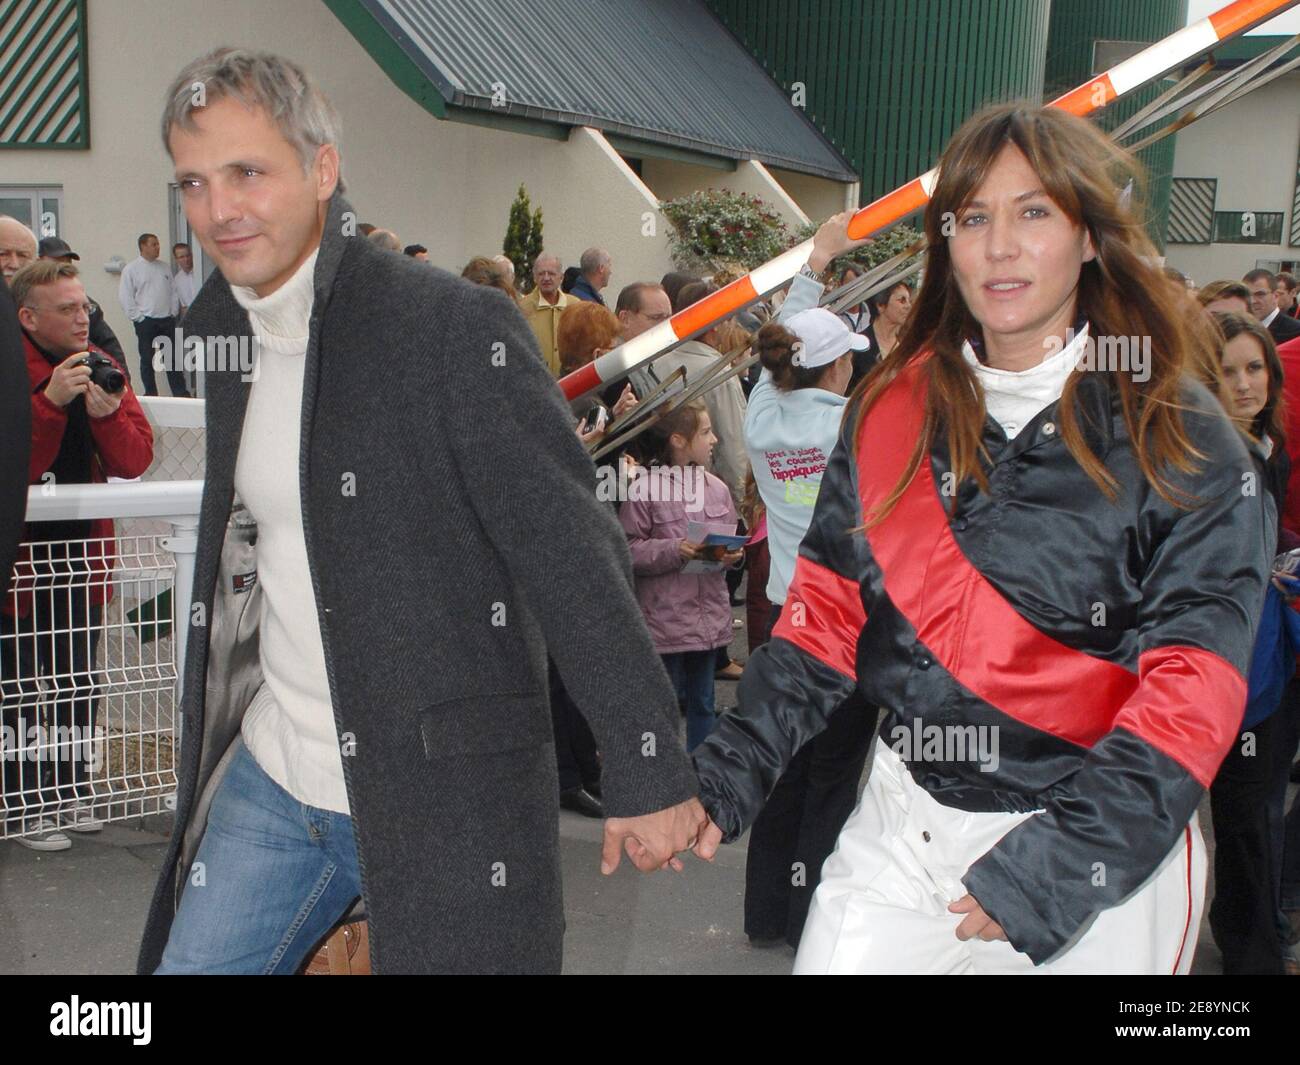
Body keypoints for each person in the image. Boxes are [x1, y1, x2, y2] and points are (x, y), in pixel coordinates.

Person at [140, 47, 704, 976]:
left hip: (441, 790)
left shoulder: (447, 329)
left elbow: (572, 550)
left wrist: (647, 763)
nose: (219, 209)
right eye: (194, 183)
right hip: (278, 775)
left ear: (322, 169)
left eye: (249, 172)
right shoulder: (226, 329)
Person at [690, 103, 1271, 975]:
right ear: (947, 242)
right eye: (972, 217)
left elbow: (1194, 691)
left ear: (1087, 237)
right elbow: (822, 627)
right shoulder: (887, 407)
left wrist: (1063, 865)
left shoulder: (1182, 437)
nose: (999, 243)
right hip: (901, 820)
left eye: (1033, 211)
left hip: (1099, 860)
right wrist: (726, 768)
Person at [738, 215, 879, 948]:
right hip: (843, 626)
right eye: (849, 355)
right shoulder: (851, 426)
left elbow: (780, 346)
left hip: (782, 620)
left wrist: (816, 261)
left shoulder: (762, 417)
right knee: (832, 780)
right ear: (835, 369)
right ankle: (805, 921)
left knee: (785, 770)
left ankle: (765, 913)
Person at [2, 260, 153, 850]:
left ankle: (68, 790)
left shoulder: (103, 369)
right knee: (17, 683)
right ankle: (21, 802)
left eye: (84, 305)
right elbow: (15, 462)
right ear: (28, 317)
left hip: (79, 558)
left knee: (75, 679)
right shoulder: (13, 369)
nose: (83, 318)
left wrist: (106, 415)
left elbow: (136, 460)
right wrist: (45, 403)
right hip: (18, 563)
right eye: (67, 309)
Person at [1204, 311, 1296, 975]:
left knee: (1250, 811)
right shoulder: (1209, 452)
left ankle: (1249, 944)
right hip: (1215, 661)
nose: (1244, 384)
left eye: (1254, 368)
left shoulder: (1269, 447)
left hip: (1262, 656)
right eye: (1229, 371)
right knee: (1239, 813)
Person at [618, 401, 742, 751]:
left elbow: (728, 541)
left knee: (704, 702)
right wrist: (675, 549)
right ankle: (662, 775)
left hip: (706, 620)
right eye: (705, 432)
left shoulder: (716, 487)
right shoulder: (645, 490)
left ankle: (701, 774)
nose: (715, 439)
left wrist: (734, 554)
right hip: (666, 619)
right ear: (678, 441)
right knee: (663, 705)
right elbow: (627, 549)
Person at [653, 281, 750, 511]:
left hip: (662, 488)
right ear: (714, 325)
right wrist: (743, 503)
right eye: (728, 318)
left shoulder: (657, 363)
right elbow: (733, 445)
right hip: (708, 495)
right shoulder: (719, 372)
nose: (732, 325)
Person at [118, 232, 189, 397]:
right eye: (154, 244)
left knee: (172, 359)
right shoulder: (132, 269)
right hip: (146, 321)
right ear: (143, 246)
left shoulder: (164, 267)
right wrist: (139, 318)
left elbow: (173, 291)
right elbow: (125, 296)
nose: (158, 247)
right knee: (147, 360)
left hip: (166, 320)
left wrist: (172, 312)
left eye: (158, 244)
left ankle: (180, 393)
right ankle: (151, 393)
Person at [518, 253, 579, 378]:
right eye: (541, 274)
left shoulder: (575, 306)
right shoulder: (522, 308)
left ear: (561, 277)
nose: (546, 278)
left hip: (571, 384)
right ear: (534, 277)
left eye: (551, 273)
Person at [1244, 268, 1300, 343]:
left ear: (1276, 296)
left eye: (1260, 294)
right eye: (1246, 295)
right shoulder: (1237, 328)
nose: (1252, 301)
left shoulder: (1296, 332)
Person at [171, 242, 201, 313]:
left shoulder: (201, 273)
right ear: (176, 259)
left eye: (188, 255)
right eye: (181, 257)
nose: (186, 259)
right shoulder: (177, 279)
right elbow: (182, 306)